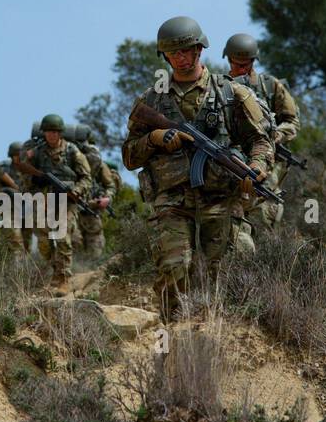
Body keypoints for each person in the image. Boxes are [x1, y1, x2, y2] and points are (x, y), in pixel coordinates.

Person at [123, 17, 273, 320]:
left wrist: (256, 167)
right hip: (172, 203)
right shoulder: (151, 100)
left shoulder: (231, 94)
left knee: (229, 271)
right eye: (173, 53)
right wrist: (154, 139)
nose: (180, 58)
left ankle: (229, 339)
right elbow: (129, 156)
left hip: (221, 198)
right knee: (175, 271)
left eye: (186, 51)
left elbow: (260, 140)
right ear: (164, 56)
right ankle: (176, 340)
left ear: (199, 50)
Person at [223, 33, 300, 229]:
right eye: (236, 63)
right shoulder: (220, 87)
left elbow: (292, 122)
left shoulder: (270, 86)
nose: (241, 68)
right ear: (228, 59)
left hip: (267, 160)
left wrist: (275, 135)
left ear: (253, 61)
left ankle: (263, 255)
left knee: (263, 211)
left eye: (246, 64)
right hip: (231, 159)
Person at [20, 114, 92, 294]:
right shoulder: (36, 152)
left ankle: (64, 279)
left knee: (62, 236)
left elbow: (86, 178)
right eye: (48, 132)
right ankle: (56, 272)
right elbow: (25, 179)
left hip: (68, 201)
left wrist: (76, 191)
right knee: (44, 242)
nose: (51, 135)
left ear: (60, 133)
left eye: (55, 132)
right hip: (45, 201)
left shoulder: (72, 151)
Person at [70, 125, 117, 258]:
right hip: (69, 211)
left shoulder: (98, 163)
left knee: (95, 257)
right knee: (71, 251)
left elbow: (110, 185)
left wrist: (107, 198)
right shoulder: (65, 160)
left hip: (91, 211)